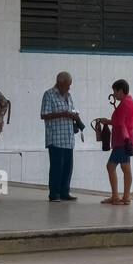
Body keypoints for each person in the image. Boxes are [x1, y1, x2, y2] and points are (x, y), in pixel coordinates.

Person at [40, 71, 79, 202]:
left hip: (68, 138)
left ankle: (64, 192)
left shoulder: (69, 95)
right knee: (57, 167)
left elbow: (71, 111)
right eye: (67, 85)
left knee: (68, 167)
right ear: (59, 83)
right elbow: (44, 115)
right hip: (56, 138)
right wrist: (63, 114)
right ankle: (54, 194)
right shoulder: (49, 94)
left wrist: (75, 118)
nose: (69, 88)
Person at [97, 79, 133, 206]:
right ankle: (126, 197)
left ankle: (116, 196)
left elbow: (119, 123)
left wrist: (107, 121)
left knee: (111, 166)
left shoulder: (125, 104)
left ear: (120, 90)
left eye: (114, 91)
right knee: (126, 168)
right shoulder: (131, 102)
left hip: (122, 140)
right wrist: (108, 121)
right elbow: (122, 121)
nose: (113, 94)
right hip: (128, 139)